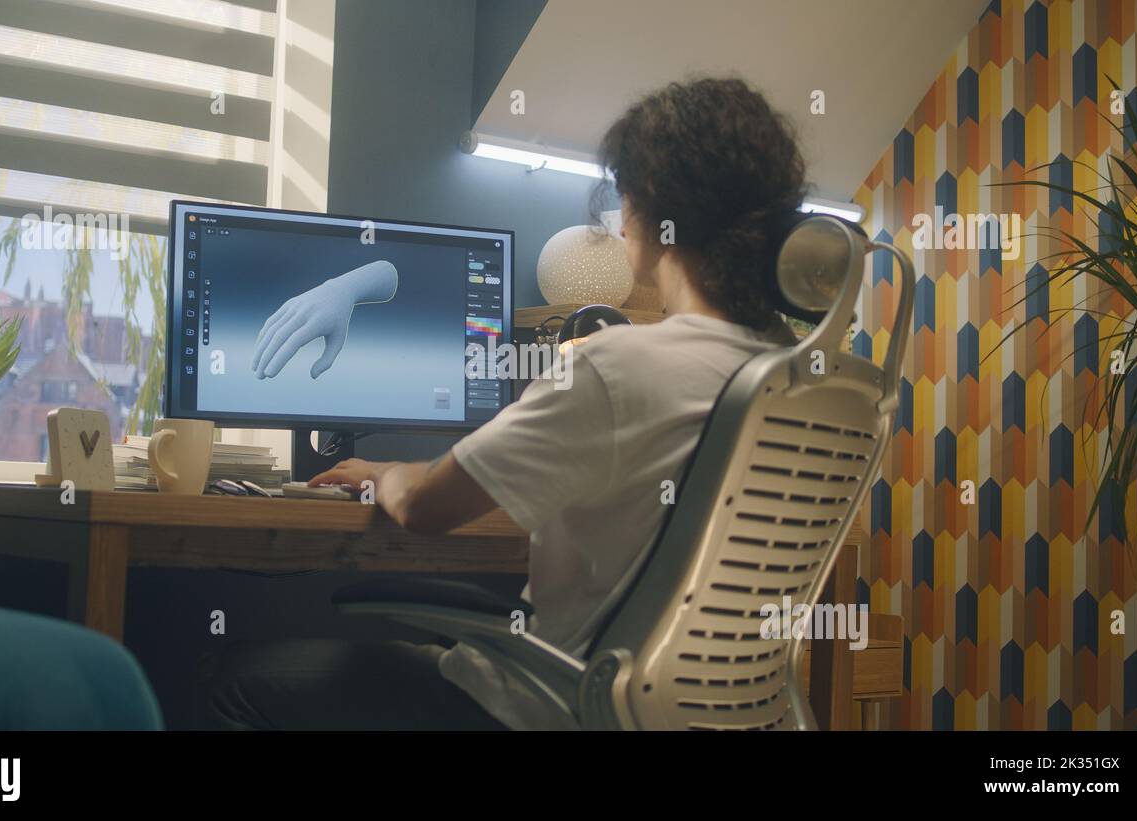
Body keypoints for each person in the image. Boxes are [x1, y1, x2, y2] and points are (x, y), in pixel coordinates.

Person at [208, 76, 807, 730]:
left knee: (239, 679)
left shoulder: (617, 363)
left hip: (545, 707)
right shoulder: (802, 383)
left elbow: (425, 508)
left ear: (651, 210)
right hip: (708, 714)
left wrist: (386, 475)